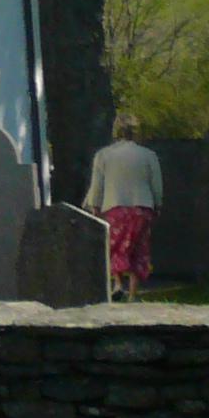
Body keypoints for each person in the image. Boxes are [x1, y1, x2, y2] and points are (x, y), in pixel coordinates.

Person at [86, 116, 164, 297]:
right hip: (142, 207)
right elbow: (156, 183)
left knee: (115, 246)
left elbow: (97, 184)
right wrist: (157, 203)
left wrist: (94, 205)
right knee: (139, 248)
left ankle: (118, 283)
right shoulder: (148, 155)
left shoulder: (103, 155)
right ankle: (133, 293)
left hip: (114, 207)